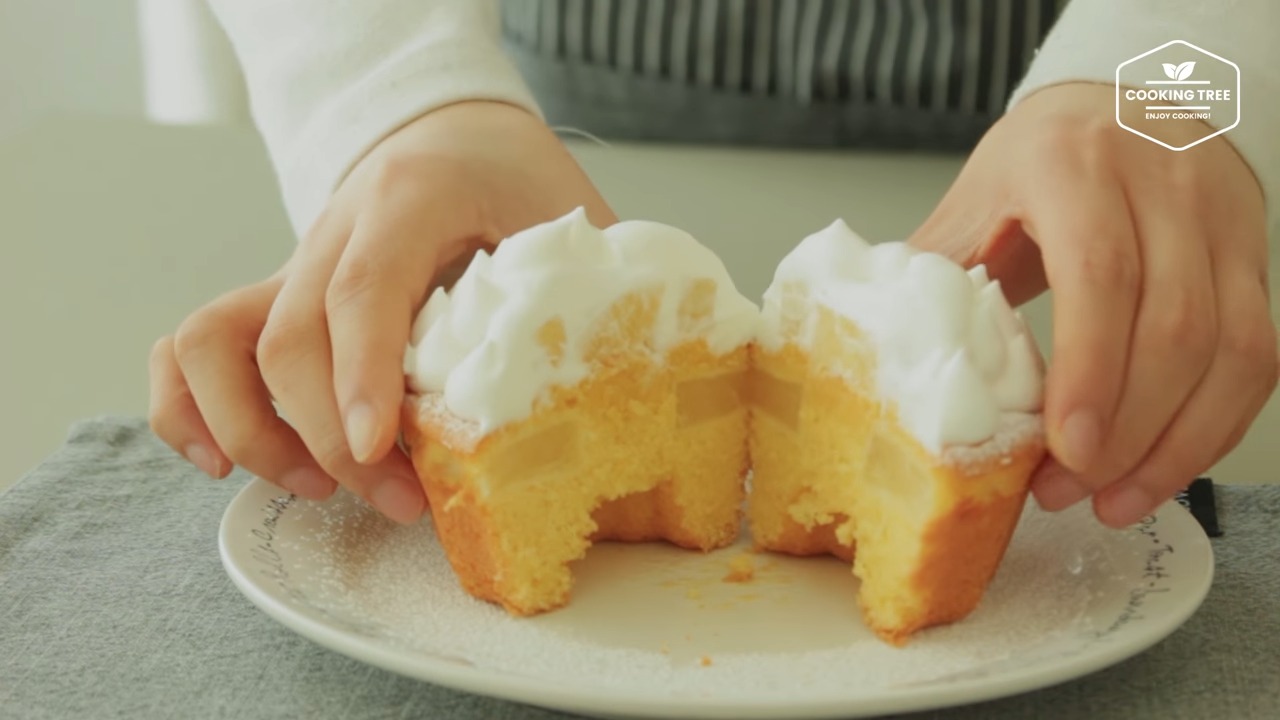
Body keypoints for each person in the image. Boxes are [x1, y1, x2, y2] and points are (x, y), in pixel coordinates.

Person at [148, 0, 1278, 531]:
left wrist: (1186, 72)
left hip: (1113, 133)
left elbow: (1203, 62)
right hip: (551, 112)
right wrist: (390, 99)